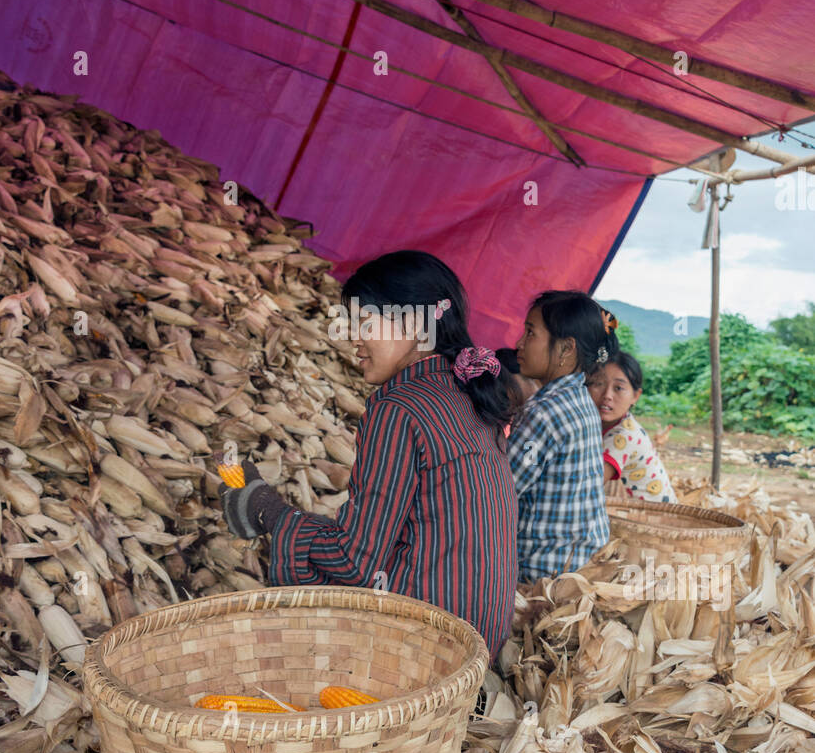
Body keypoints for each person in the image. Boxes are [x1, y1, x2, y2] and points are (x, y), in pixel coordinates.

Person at [219, 250, 518, 660]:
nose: (353, 339)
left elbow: (354, 559)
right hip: (482, 638)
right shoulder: (468, 393)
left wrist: (270, 511)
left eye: (364, 323)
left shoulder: (398, 406)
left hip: (430, 646)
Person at [508, 291, 615, 582]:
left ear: (566, 349)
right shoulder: (578, 398)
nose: (518, 343)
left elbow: (499, 492)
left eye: (530, 333)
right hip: (581, 563)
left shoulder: (544, 412)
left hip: (542, 576)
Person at [587, 351, 676, 503]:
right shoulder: (604, 424)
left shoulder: (625, 435)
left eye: (618, 388)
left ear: (635, 396)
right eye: (598, 383)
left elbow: (587, 485)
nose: (607, 395)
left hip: (656, 519)